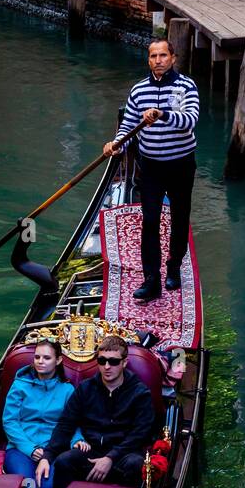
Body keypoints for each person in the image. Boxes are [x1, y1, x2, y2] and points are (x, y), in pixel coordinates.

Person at [35, 336, 155, 488]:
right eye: (101, 361)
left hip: (123, 453)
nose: (107, 367)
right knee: (64, 462)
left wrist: (110, 457)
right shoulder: (86, 389)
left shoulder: (140, 393)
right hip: (91, 451)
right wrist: (47, 456)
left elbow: (141, 433)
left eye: (113, 361)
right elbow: (65, 425)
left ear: (125, 362)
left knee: (137, 465)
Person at [103, 38, 199, 303]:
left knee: (180, 218)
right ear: (149, 60)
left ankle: (174, 267)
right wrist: (117, 144)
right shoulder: (139, 90)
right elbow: (129, 128)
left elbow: (190, 120)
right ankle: (151, 280)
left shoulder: (186, 86)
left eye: (163, 55)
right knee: (150, 221)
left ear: (173, 58)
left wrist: (162, 114)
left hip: (181, 164)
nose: (158, 60)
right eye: (154, 56)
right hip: (152, 167)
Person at [2, 338, 81, 488]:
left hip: (52, 449)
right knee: (28, 482)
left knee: (46, 484)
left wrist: (77, 440)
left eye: (46, 357)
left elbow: (72, 422)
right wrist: (30, 449)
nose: (40, 361)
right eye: (37, 357)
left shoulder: (67, 390)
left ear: (58, 360)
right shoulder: (20, 386)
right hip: (19, 448)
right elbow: (10, 422)